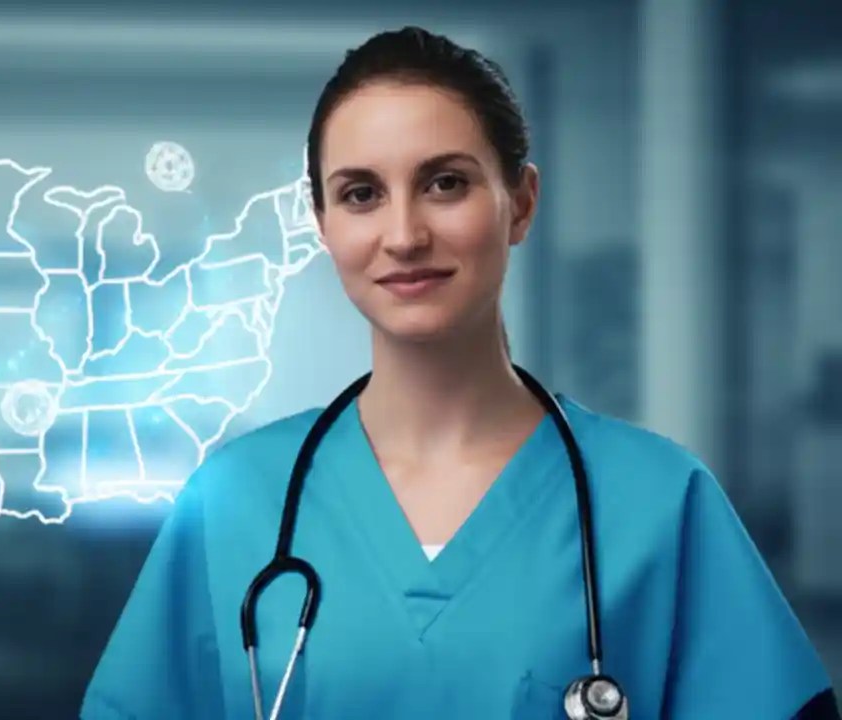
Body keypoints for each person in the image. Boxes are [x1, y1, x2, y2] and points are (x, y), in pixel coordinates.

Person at [81, 25, 839, 719]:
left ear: (521, 203)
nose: (404, 234)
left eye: (445, 183)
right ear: (323, 226)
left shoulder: (657, 501)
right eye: (361, 194)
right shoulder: (234, 501)